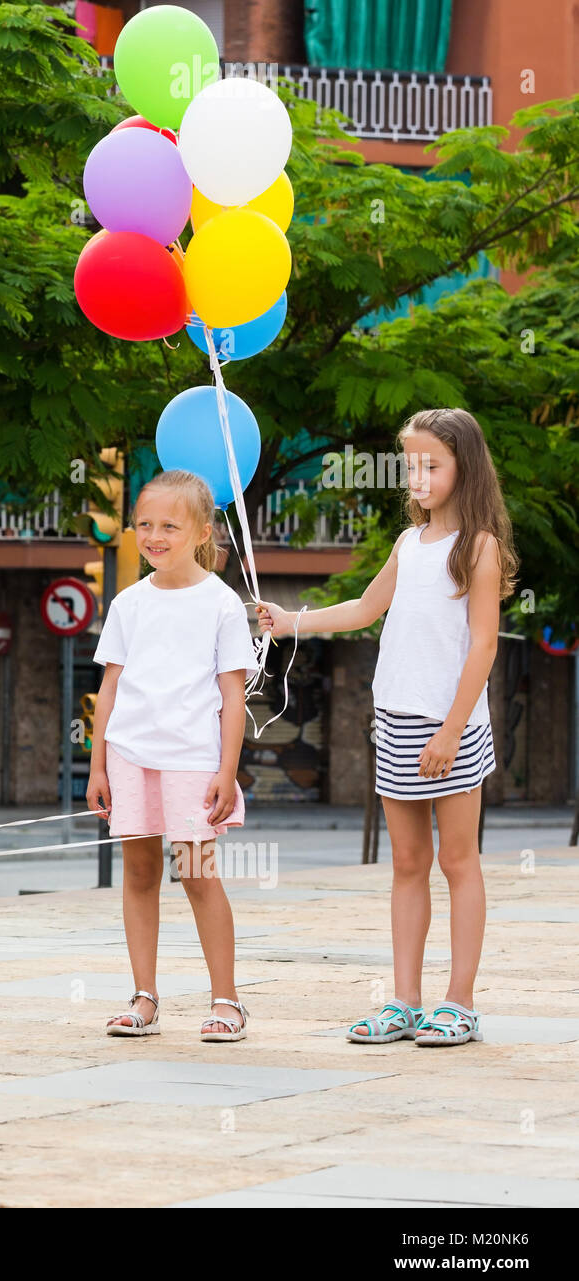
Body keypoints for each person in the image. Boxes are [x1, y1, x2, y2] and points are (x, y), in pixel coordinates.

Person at [259, 408, 517, 1046]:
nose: (419, 477)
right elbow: (364, 609)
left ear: (465, 468)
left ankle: (459, 1003)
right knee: (407, 863)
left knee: (458, 862)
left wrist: (452, 731)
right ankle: (405, 1000)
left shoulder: (478, 548)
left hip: (451, 726)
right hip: (396, 721)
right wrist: (290, 620)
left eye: (433, 464)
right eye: (411, 465)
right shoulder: (409, 545)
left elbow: (483, 648)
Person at [87, 469, 258, 1041]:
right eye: (144, 524)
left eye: (170, 526)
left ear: (204, 530)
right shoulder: (128, 604)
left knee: (198, 874)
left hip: (193, 760)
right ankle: (143, 998)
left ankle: (226, 1001)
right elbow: (109, 688)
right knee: (139, 874)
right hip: (130, 756)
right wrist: (98, 765)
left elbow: (233, 697)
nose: (154, 536)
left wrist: (227, 771)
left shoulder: (222, 605)